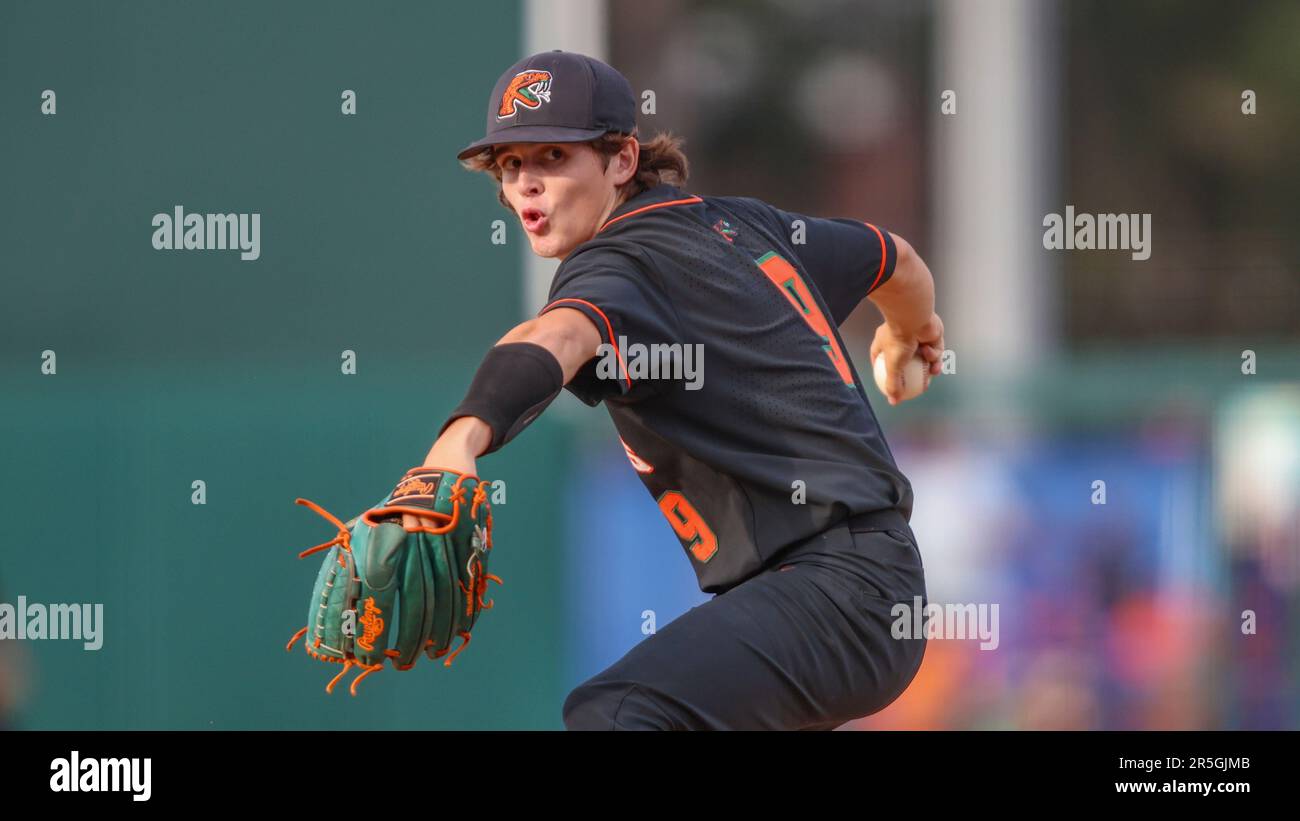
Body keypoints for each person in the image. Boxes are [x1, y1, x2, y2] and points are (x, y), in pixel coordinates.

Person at [430, 49, 943, 730]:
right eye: (511, 164)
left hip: (835, 592)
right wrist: (914, 328)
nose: (526, 183)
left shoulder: (620, 260)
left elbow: (555, 340)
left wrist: (457, 443)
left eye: (554, 156)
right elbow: (895, 256)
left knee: (617, 712)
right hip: (849, 590)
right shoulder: (744, 225)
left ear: (620, 161)